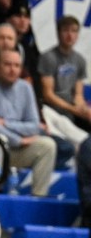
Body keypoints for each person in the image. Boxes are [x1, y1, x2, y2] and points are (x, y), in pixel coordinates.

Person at [0, 48, 57, 197]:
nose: (13, 69)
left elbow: (34, 126)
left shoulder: (25, 87)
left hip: (16, 149)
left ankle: (39, 196)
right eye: (8, 64)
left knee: (48, 145)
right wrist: (19, 139)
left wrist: (7, 124)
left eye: (17, 65)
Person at [39, 16, 91, 149]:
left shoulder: (80, 60)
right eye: (66, 30)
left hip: (70, 111)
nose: (70, 35)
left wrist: (83, 109)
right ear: (58, 33)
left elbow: (78, 94)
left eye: (74, 31)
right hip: (51, 111)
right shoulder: (48, 57)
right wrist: (73, 109)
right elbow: (48, 95)